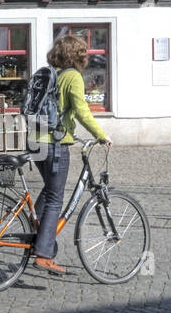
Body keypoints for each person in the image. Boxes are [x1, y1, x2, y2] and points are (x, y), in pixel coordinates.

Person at [32, 33, 112, 275]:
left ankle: (35, 229)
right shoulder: (72, 77)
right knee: (56, 198)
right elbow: (81, 111)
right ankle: (44, 253)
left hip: (35, 141)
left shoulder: (50, 73)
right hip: (55, 144)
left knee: (48, 190)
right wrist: (101, 135)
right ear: (78, 56)